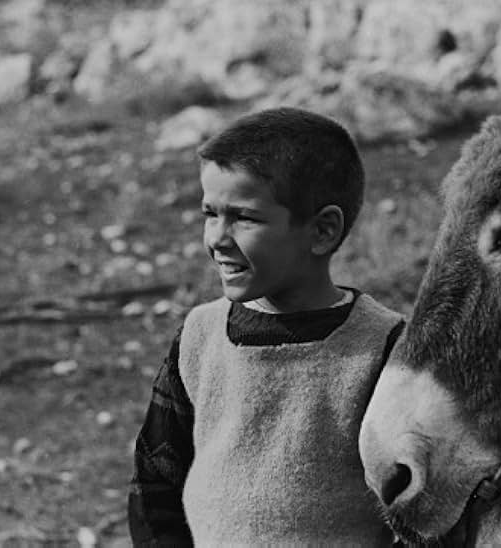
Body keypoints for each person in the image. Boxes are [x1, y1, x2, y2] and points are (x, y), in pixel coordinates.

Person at [128, 107, 404, 546]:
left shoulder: (385, 350)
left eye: (244, 217)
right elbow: (154, 483)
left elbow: (420, 510)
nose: (216, 237)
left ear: (322, 231)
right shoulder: (200, 337)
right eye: (209, 213)